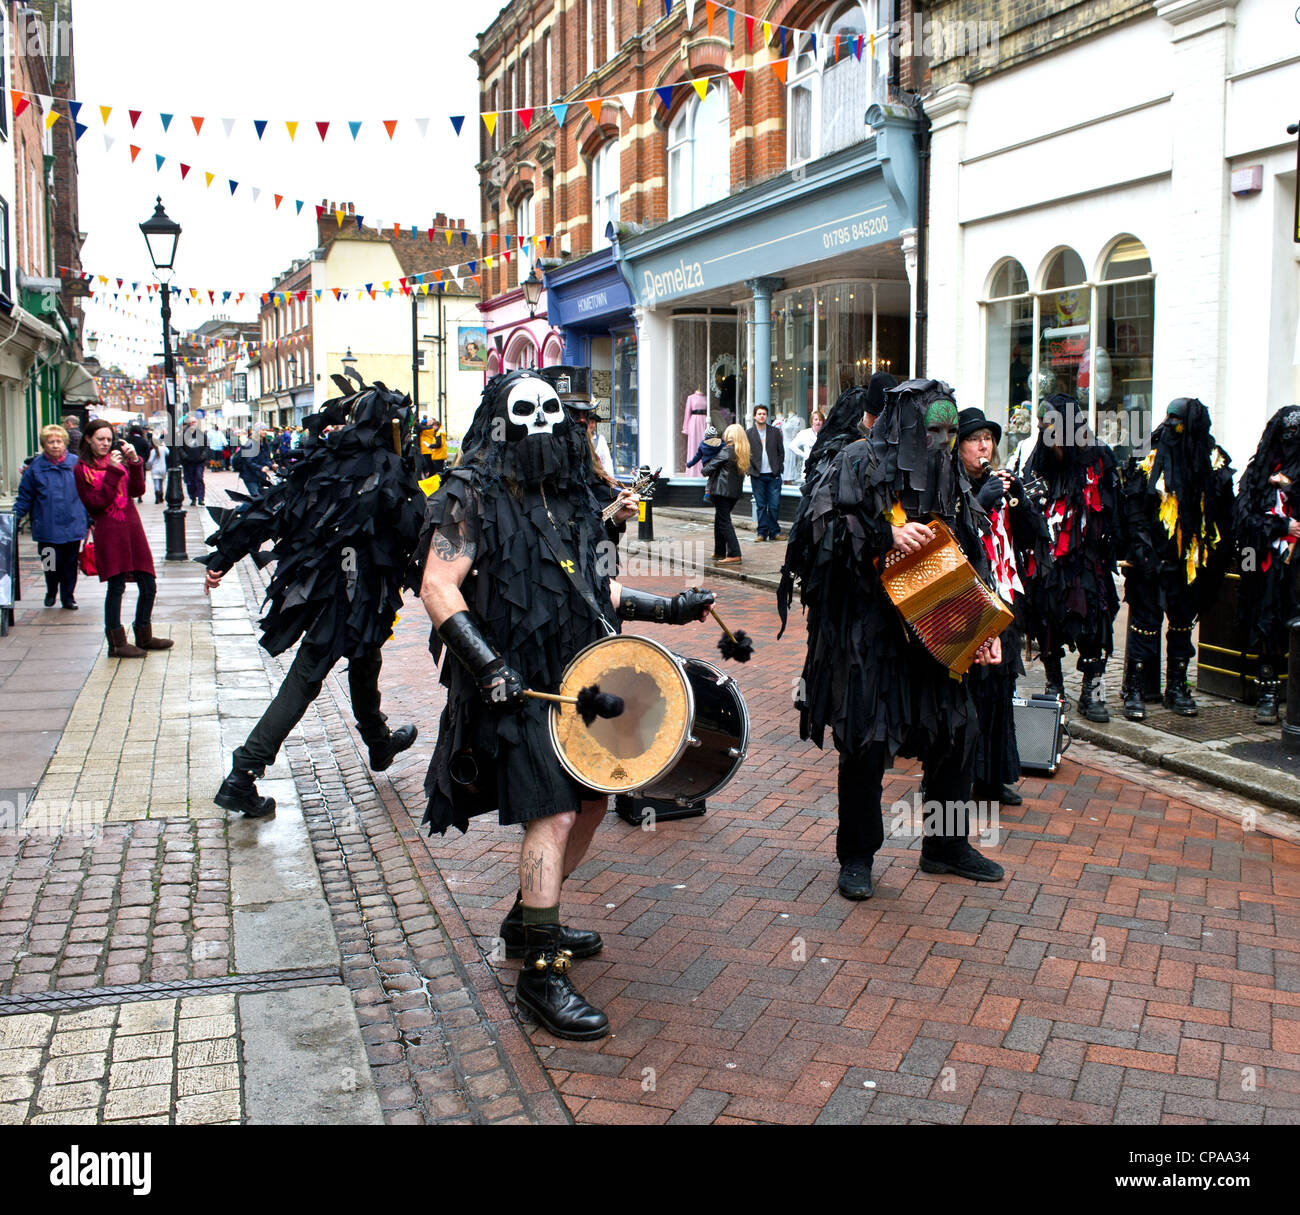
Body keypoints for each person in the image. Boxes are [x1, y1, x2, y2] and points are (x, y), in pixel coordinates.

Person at [417, 369, 714, 1040]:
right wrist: (488, 663)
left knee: (591, 800)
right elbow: (438, 584)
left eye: (552, 409)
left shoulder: (574, 497)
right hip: (511, 682)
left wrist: (669, 609)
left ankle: (529, 917)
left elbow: (593, 593)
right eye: (526, 410)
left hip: (576, 676)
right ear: (499, 418)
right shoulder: (468, 495)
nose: (543, 420)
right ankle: (540, 972)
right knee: (550, 811)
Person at [782, 379, 1006, 901]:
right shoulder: (857, 461)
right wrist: (885, 537)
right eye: (934, 430)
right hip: (870, 636)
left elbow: (970, 547)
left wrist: (982, 628)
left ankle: (944, 846)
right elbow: (815, 539)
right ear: (905, 425)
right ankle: (857, 856)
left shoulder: (948, 471)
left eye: (952, 431)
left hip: (935, 629)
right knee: (865, 740)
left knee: (958, 730)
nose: (945, 440)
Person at [201, 379, 425, 818]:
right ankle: (242, 773)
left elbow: (271, 507)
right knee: (306, 678)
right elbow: (413, 533)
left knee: (365, 659)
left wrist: (224, 556)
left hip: (332, 586)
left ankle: (379, 745)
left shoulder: (326, 459)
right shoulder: (393, 470)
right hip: (351, 591)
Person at [956, 408, 1052, 805]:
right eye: (975, 439)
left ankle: (993, 778)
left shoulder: (1000, 482)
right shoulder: (951, 485)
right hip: (966, 601)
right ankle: (959, 778)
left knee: (1001, 688)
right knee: (970, 694)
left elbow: (1032, 536)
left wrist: (1019, 504)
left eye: (989, 439)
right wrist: (980, 500)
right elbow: (950, 541)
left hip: (1004, 598)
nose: (984, 446)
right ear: (958, 446)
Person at [1119, 398, 1235, 720]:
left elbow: (1223, 511)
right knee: (1144, 626)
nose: (1171, 425)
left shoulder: (1211, 461)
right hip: (1150, 559)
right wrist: (1142, 547)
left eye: (1178, 420)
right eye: (1168, 418)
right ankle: (1135, 688)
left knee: (1182, 626)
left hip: (1188, 561)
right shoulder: (1149, 454)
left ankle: (1177, 686)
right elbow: (1133, 503)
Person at [1022, 393, 1121, 721]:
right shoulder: (1037, 460)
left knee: (1094, 621)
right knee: (1046, 618)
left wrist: (1112, 547)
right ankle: (1054, 685)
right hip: (1048, 558)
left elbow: (1113, 508)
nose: (1044, 433)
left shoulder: (1098, 457)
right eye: (1040, 426)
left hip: (1087, 558)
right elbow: (1026, 502)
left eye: (1049, 425)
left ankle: (1093, 691)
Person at [75, 420, 173, 658]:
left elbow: (137, 491)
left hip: (132, 527)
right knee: (116, 586)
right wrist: (112, 471)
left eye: (109, 439)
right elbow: (96, 502)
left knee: (148, 582)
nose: (105, 444)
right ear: (88, 439)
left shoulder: (117, 462)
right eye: (100, 439)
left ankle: (144, 635)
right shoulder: (81, 469)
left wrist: (134, 461)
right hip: (109, 531)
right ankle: (117, 642)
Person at [1233, 405, 1300, 726]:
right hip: (1268, 565)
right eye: (1286, 434)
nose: (1291, 440)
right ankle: (1268, 695)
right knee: (1268, 623)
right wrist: (1280, 527)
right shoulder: (1257, 474)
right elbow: (1244, 518)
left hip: (1298, 564)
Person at [13, 424, 88, 610]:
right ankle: (51, 589)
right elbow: (25, 496)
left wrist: (91, 519)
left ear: (65, 443)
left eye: (59, 441)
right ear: (44, 445)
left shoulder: (77, 464)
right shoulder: (35, 469)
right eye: (51, 442)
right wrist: (14, 518)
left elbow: (88, 493)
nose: (55, 445)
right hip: (47, 526)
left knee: (70, 563)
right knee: (51, 563)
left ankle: (68, 596)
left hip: (72, 522)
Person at [703, 423, 749, 565]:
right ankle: (719, 551)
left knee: (724, 522)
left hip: (720, 491)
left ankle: (734, 553)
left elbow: (706, 469)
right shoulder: (742, 452)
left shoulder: (727, 451)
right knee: (720, 520)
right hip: (733, 493)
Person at [747, 405, 785, 542]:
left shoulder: (775, 432)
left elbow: (781, 452)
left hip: (773, 475)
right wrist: (749, 470)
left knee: (774, 505)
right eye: (759, 414)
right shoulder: (749, 433)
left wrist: (779, 468)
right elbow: (745, 453)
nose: (762, 416)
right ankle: (762, 533)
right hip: (757, 476)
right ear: (755, 416)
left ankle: (774, 532)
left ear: (767, 416)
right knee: (761, 506)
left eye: (764, 414)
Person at [231, 427, 274, 498]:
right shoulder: (250, 444)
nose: (265, 432)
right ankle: (239, 509)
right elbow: (248, 461)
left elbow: (266, 458)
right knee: (256, 498)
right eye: (262, 429)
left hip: (259, 476)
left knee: (259, 498)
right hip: (249, 475)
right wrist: (261, 468)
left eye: (265, 430)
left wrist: (271, 465)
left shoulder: (264, 443)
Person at [179, 417, 210, 506]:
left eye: (195, 422)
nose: (193, 424)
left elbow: (207, 446)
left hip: (199, 461)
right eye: (192, 422)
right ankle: (193, 498)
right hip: (188, 462)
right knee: (190, 480)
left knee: (199, 478)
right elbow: (179, 447)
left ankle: (201, 498)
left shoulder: (201, 434)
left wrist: (203, 455)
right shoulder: (183, 435)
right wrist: (185, 456)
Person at [788, 410, 824, 482]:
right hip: (808, 468)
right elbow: (792, 446)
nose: (818, 422)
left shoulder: (826, 434)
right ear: (811, 421)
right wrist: (805, 455)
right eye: (816, 419)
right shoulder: (805, 433)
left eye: (820, 420)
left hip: (822, 468)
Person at [145, 433, 168, 504]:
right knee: (161, 483)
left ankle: (157, 496)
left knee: (156, 484)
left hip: (155, 469)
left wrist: (148, 467)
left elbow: (150, 461)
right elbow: (168, 453)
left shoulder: (153, 451)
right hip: (163, 468)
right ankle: (161, 495)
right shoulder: (164, 449)